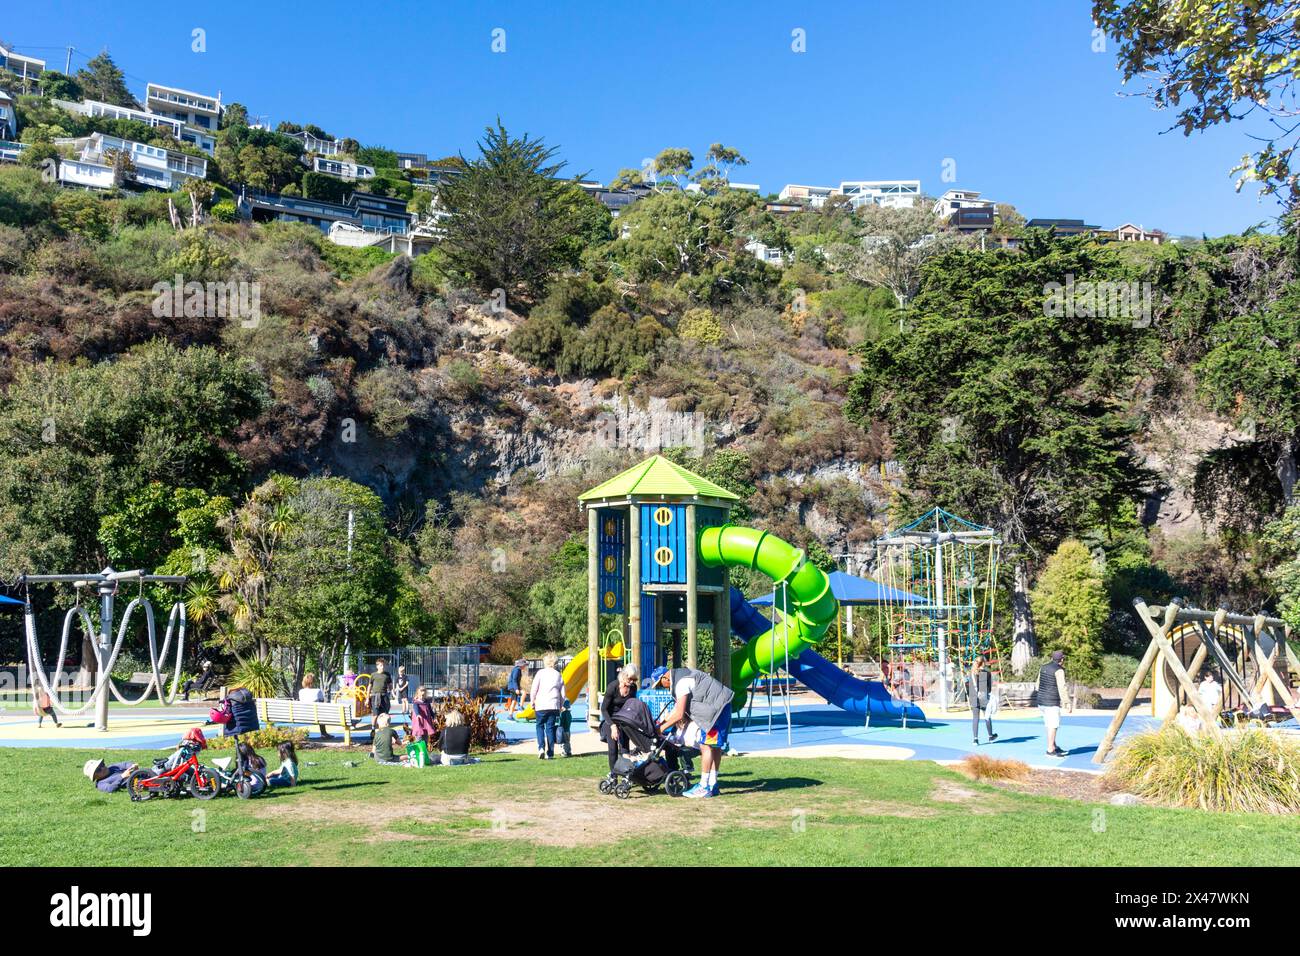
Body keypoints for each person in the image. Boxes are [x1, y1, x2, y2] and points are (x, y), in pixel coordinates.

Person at [653, 664, 734, 799]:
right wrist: (662, 723)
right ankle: (713, 784)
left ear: (665, 677)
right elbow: (676, 710)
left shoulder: (680, 683)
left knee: (706, 745)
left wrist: (660, 729)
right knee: (714, 747)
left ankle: (703, 786)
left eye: (660, 684)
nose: (662, 687)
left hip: (715, 711)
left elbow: (679, 714)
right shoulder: (683, 675)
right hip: (721, 706)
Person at [599, 664, 639, 771]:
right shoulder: (613, 687)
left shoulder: (633, 688)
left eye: (634, 679)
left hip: (624, 720)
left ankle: (625, 773)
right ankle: (614, 776)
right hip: (610, 719)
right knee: (613, 750)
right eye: (630, 679)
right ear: (624, 675)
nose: (632, 682)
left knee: (625, 749)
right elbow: (604, 709)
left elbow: (632, 705)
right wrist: (612, 726)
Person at [530, 653, 565, 760]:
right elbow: (563, 693)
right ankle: (550, 752)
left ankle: (541, 748)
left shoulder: (540, 673)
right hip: (553, 705)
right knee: (550, 728)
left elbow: (534, 688)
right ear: (555, 663)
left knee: (539, 726)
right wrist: (560, 705)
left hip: (541, 704)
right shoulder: (558, 675)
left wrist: (532, 701)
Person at [1037, 649, 1071, 757]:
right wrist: (1067, 703)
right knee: (1053, 725)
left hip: (1041, 701)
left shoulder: (1043, 667)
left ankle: (1054, 746)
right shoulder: (1059, 670)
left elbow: (1037, 684)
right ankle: (1050, 749)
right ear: (1062, 659)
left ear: (1052, 658)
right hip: (1052, 702)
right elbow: (1062, 687)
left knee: (1049, 725)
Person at [967, 654, 999, 745]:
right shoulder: (987, 673)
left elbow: (970, 687)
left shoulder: (972, 674)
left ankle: (975, 739)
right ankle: (990, 736)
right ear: (983, 663)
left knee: (975, 718)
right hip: (984, 697)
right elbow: (989, 688)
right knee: (987, 716)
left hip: (974, 697)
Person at [298, 672, 333, 740]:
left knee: (319, 712)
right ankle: (323, 733)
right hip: (316, 716)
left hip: (303, 715)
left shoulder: (301, 691)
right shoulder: (318, 691)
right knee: (320, 712)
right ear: (313, 682)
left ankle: (324, 733)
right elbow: (322, 703)